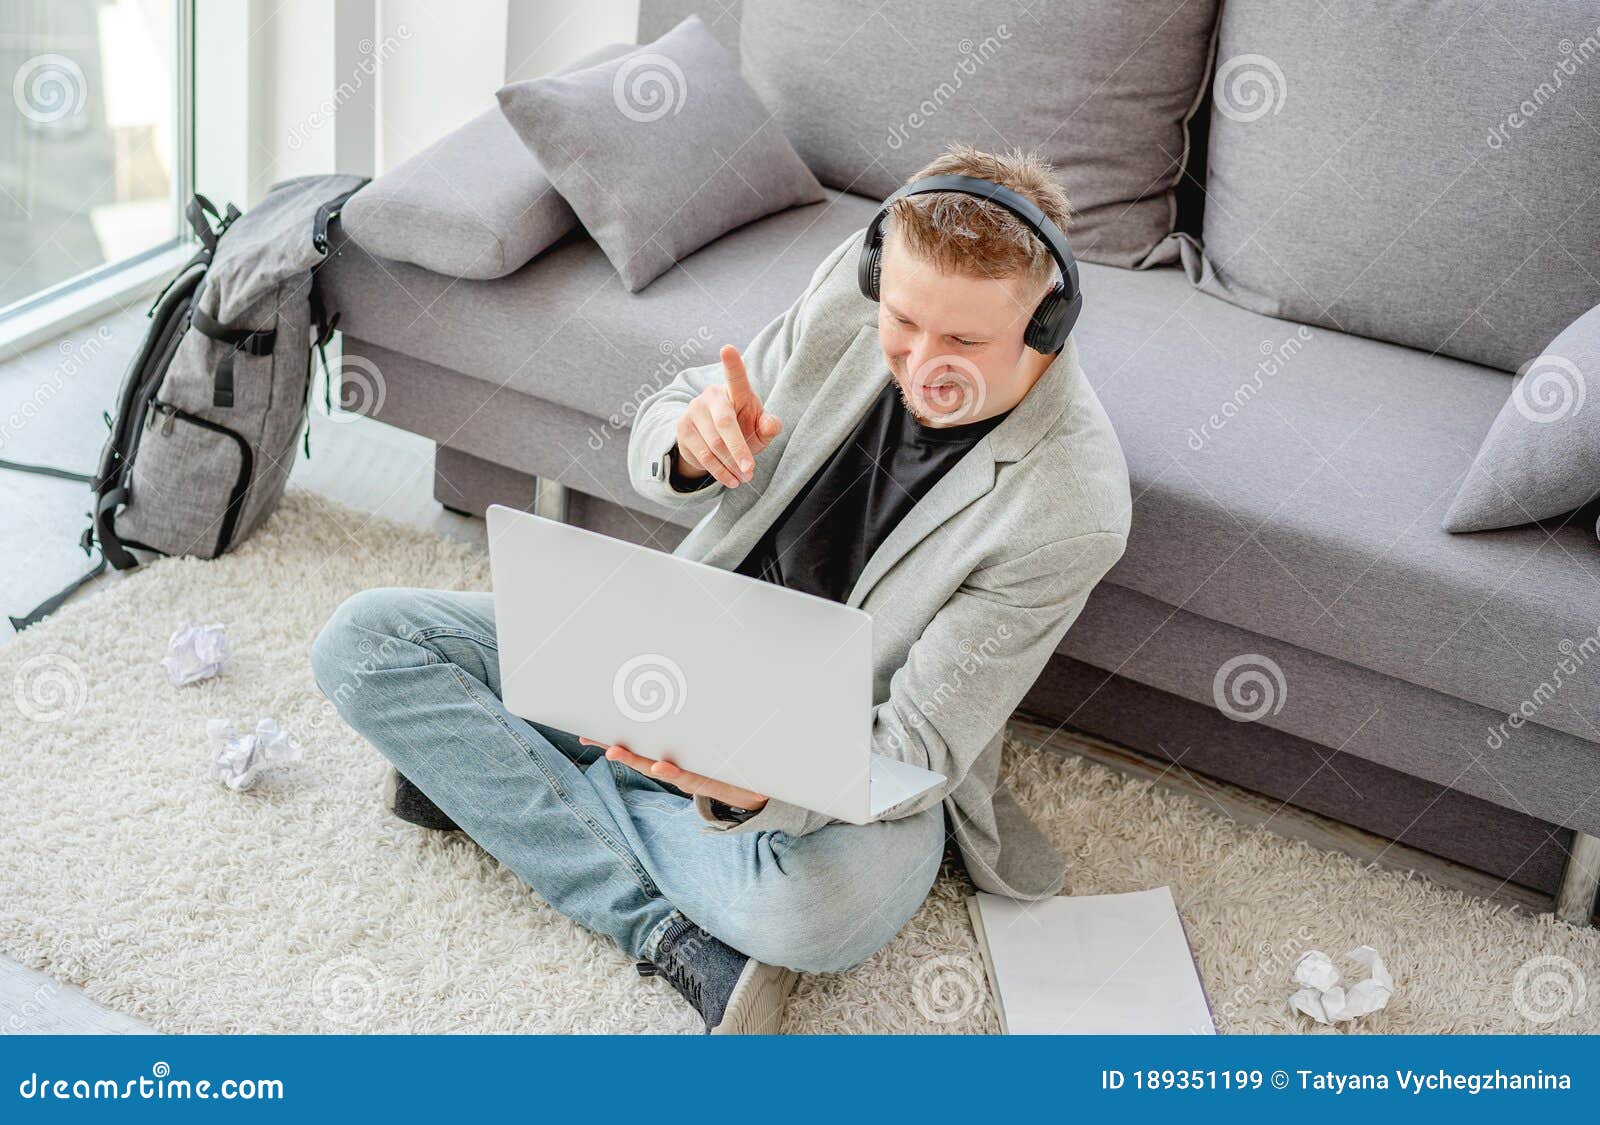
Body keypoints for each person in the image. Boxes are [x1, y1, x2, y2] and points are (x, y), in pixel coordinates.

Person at [310, 143, 1131, 1034]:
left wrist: (745, 792)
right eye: (903, 322)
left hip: (843, 743)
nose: (921, 364)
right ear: (876, 275)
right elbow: (693, 404)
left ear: (1045, 323)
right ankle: (662, 928)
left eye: (966, 340)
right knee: (364, 644)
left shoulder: (1072, 504)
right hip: (687, 636)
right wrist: (689, 442)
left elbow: (917, 749)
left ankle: (500, 780)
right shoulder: (855, 298)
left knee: (814, 915)